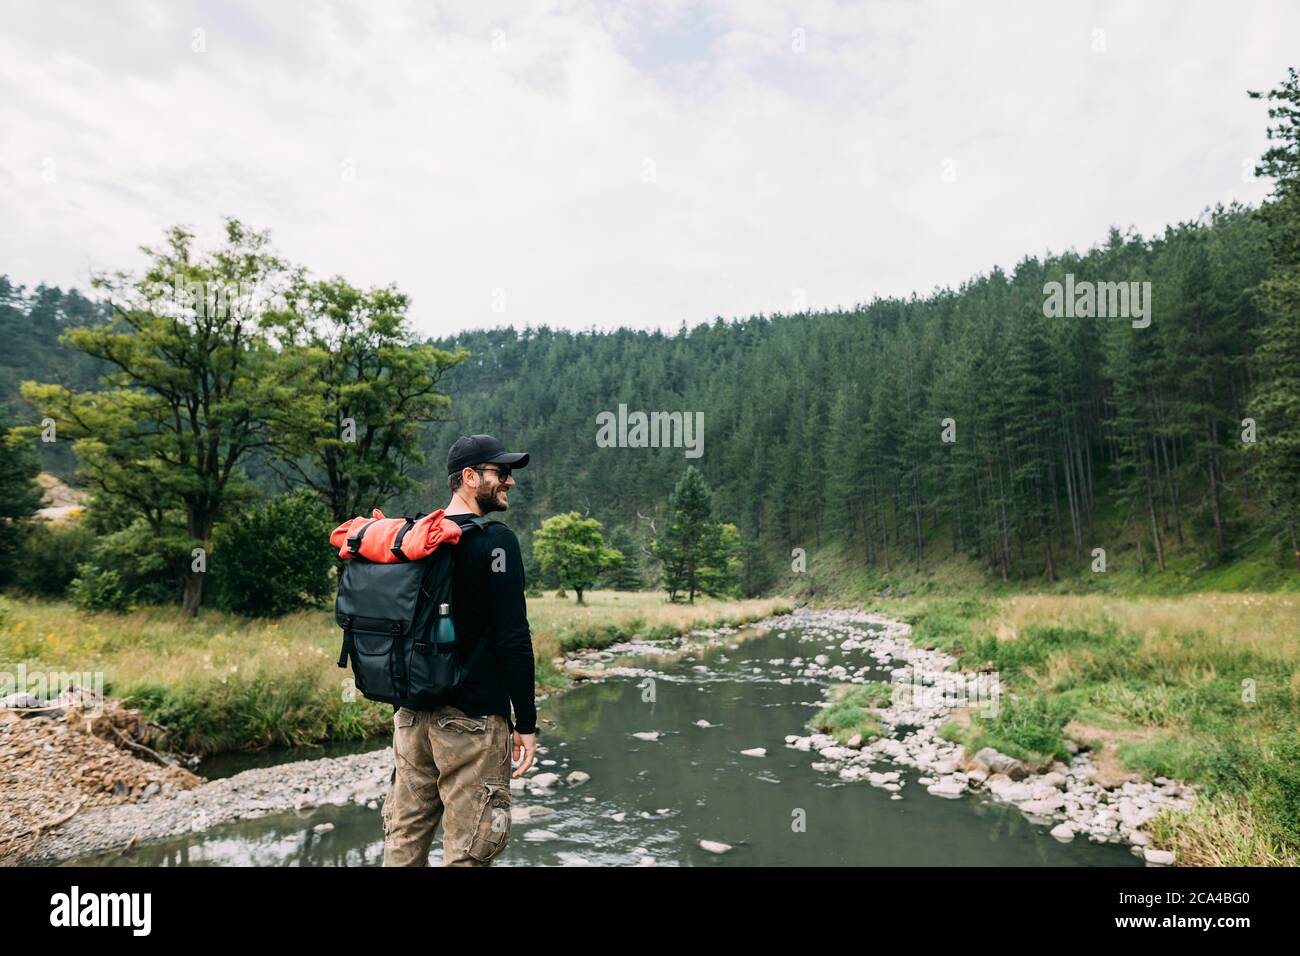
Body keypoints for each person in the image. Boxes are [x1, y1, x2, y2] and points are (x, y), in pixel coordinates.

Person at [381, 434, 538, 866]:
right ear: (469, 477)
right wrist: (526, 721)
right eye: (500, 473)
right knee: (469, 851)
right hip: (472, 720)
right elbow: (513, 638)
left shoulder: (415, 540)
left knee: (404, 842)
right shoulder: (496, 542)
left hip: (411, 717)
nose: (510, 482)